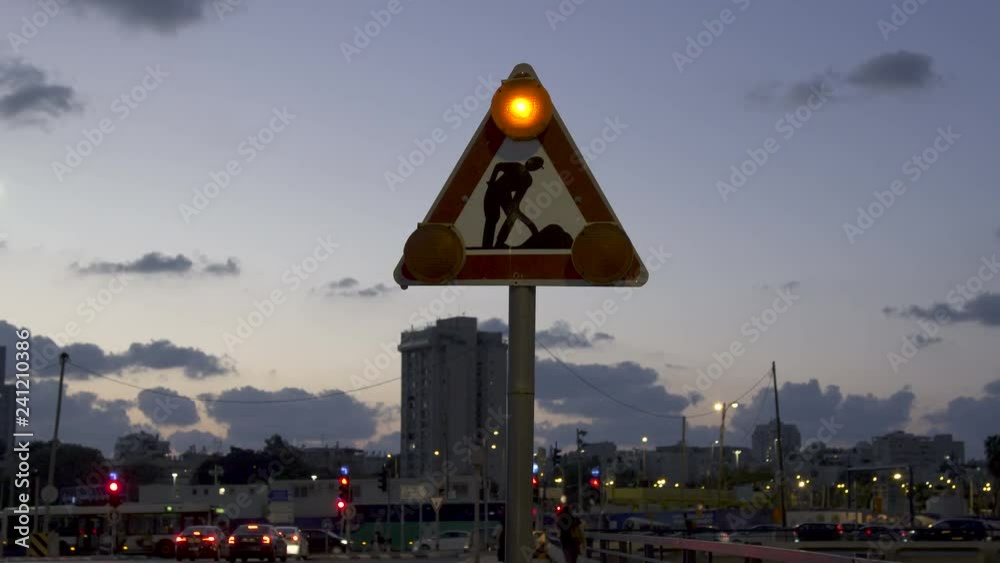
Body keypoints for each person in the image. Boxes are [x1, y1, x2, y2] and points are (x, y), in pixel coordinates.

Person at [481, 156, 544, 248]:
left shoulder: (528, 180)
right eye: (533, 162)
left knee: (512, 216)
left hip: (505, 195)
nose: (532, 165)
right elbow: (498, 166)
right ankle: (487, 247)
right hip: (494, 191)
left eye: (536, 165)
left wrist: (525, 220)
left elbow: (516, 201)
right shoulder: (516, 166)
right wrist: (491, 182)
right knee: (492, 218)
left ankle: (499, 243)